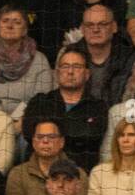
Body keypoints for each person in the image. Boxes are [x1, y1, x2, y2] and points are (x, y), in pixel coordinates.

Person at [14, 46, 109, 174]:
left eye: (77, 67)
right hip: (37, 174)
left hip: (80, 176)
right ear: (57, 73)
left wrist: (51, 132)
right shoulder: (40, 101)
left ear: (87, 74)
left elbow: (91, 137)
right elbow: (29, 134)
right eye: (65, 66)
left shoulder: (98, 106)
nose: (70, 71)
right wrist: (75, 129)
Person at [78, 4, 135, 105]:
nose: (95, 29)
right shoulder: (68, 54)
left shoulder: (131, 59)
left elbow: (130, 104)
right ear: (82, 29)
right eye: (89, 25)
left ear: (114, 27)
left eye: (102, 24)